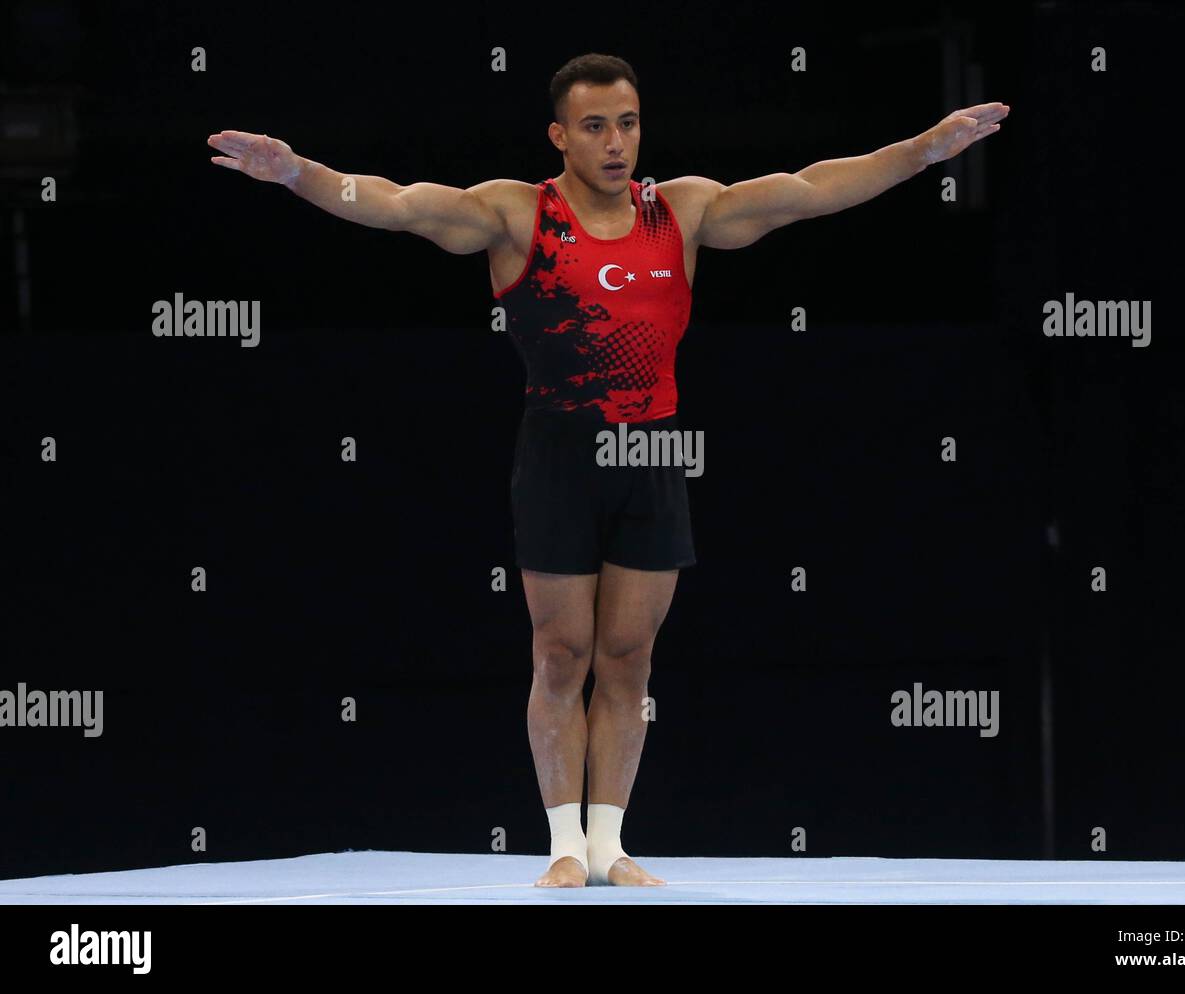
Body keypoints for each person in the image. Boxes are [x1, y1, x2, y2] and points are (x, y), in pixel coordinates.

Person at [208, 52, 1008, 888]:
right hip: (558, 450)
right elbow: (400, 206)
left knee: (628, 657)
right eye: (595, 126)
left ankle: (610, 845)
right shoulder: (517, 214)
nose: (615, 141)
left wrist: (922, 149)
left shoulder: (684, 211)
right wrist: (297, 172)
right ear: (560, 136)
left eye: (627, 123)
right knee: (561, 652)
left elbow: (809, 190)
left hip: (654, 451)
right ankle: (561, 844)